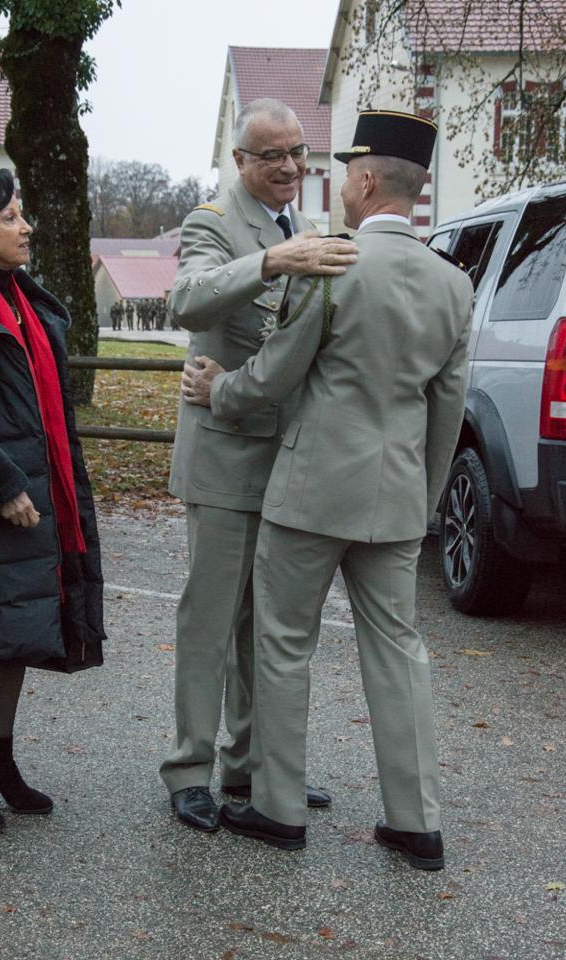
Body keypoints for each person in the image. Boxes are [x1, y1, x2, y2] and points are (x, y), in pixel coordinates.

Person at [180, 110, 474, 868]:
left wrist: (221, 393)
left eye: (343, 171)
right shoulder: (455, 283)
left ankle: (277, 806)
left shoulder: (335, 263)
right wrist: (426, 499)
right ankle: (416, 823)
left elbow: (280, 368)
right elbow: (447, 409)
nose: (334, 183)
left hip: (309, 491)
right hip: (399, 499)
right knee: (400, 653)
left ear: (367, 180)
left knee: (281, 645)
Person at [161, 97, 359, 832]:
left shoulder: (304, 228)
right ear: (241, 161)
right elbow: (186, 297)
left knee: (263, 625)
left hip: (284, 457)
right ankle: (188, 768)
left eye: (296, 151)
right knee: (210, 621)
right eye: (269, 154)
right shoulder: (214, 222)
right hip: (222, 458)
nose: (287, 166)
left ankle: (249, 767)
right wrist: (276, 259)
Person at [0, 168, 105, 834]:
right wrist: (1, 484)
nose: (26, 226)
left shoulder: (15, 298)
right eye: (10, 217)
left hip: (36, 497)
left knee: (19, 636)